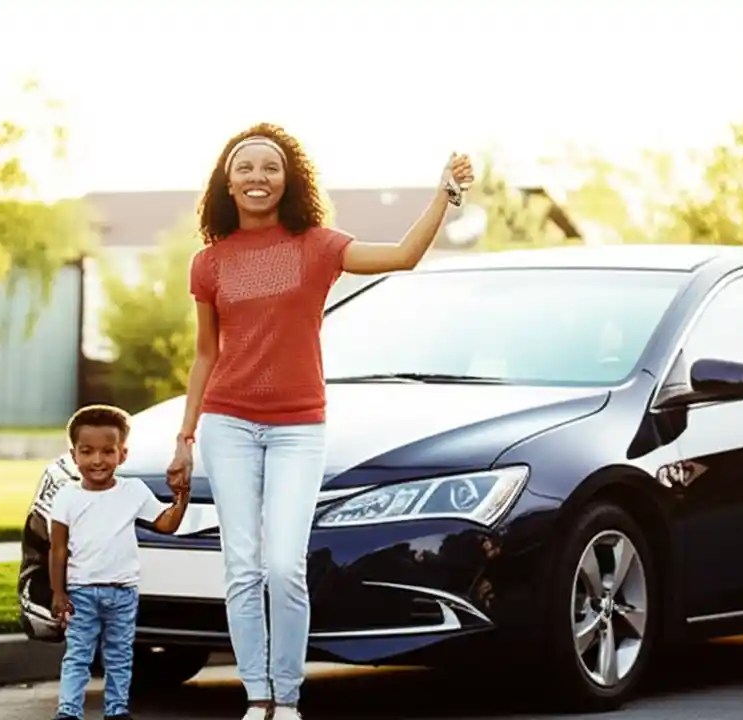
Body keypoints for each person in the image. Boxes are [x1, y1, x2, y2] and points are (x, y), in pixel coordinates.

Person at [167, 122, 474, 720]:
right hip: (227, 424)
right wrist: (185, 437)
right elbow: (207, 353)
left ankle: (289, 696)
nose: (258, 177)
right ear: (227, 182)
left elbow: (403, 257)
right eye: (245, 168)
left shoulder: (317, 246)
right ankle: (257, 699)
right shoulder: (209, 263)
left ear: (289, 181)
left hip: (297, 428)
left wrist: (444, 193)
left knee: (283, 566)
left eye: (270, 168)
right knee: (241, 566)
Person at [49, 404, 191, 720]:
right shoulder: (66, 497)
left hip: (123, 592)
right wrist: (58, 593)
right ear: (74, 456)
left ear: (122, 454)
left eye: (107, 451)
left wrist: (181, 497)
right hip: (80, 591)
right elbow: (58, 549)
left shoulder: (133, 492)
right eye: (87, 452)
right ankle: (69, 711)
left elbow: (165, 524)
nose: (97, 460)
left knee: (120, 654)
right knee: (78, 655)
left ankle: (116, 710)